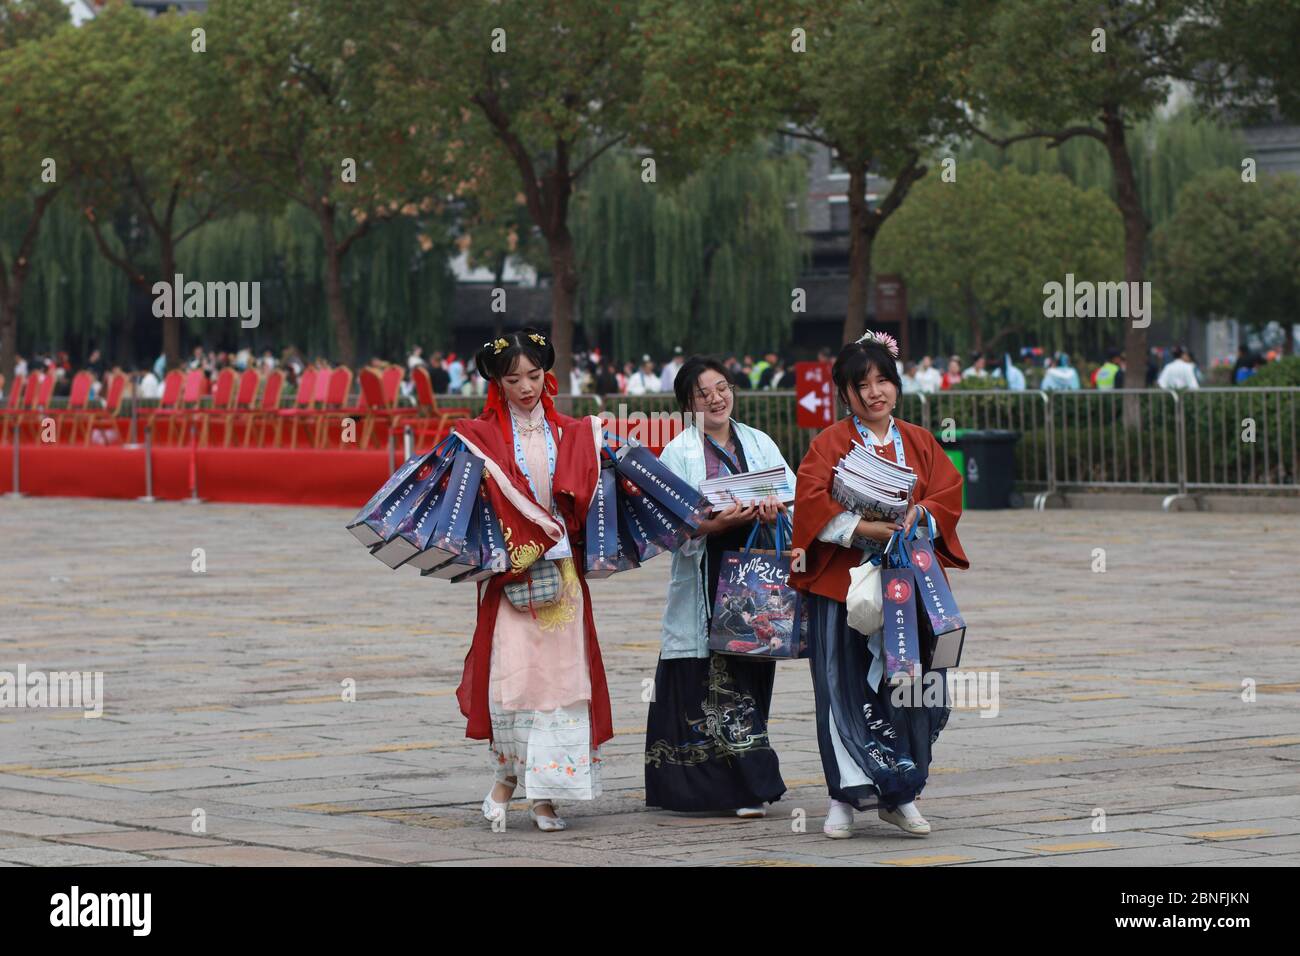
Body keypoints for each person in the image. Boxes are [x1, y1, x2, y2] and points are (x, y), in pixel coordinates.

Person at [789, 331, 968, 839]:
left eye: (883, 380)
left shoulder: (918, 440)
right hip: (840, 585)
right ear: (845, 393)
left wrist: (922, 514)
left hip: (905, 586)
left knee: (909, 685)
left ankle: (901, 793)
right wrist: (861, 528)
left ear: (896, 384)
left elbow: (947, 494)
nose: (874, 392)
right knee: (840, 686)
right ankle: (843, 797)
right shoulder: (829, 443)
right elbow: (810, 502)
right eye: (861, 384)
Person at [457, 328, 611, 832]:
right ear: (496, 384)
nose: (525, 386)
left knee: (563, 680)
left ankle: (546, 797)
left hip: (561, 574)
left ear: (547, 374)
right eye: (512, 378)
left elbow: (588, 498)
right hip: (512, 576)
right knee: (515, 676)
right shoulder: (479, 438)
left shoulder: (572, 431)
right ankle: (505, 782)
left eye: (533, 374)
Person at [646, 356, 796, 818]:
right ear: (688, 405)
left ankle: (749, 785)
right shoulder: (678, 452)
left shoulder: (759, 441)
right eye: (703, 393)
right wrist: (712, 525)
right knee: (703, 680)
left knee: (747, 669)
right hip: (706, 572)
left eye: (722, 387)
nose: (716, 398)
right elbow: (667, 524)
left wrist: (774, 510)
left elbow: (790, 494)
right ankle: (704, 789)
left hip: (753, 574)